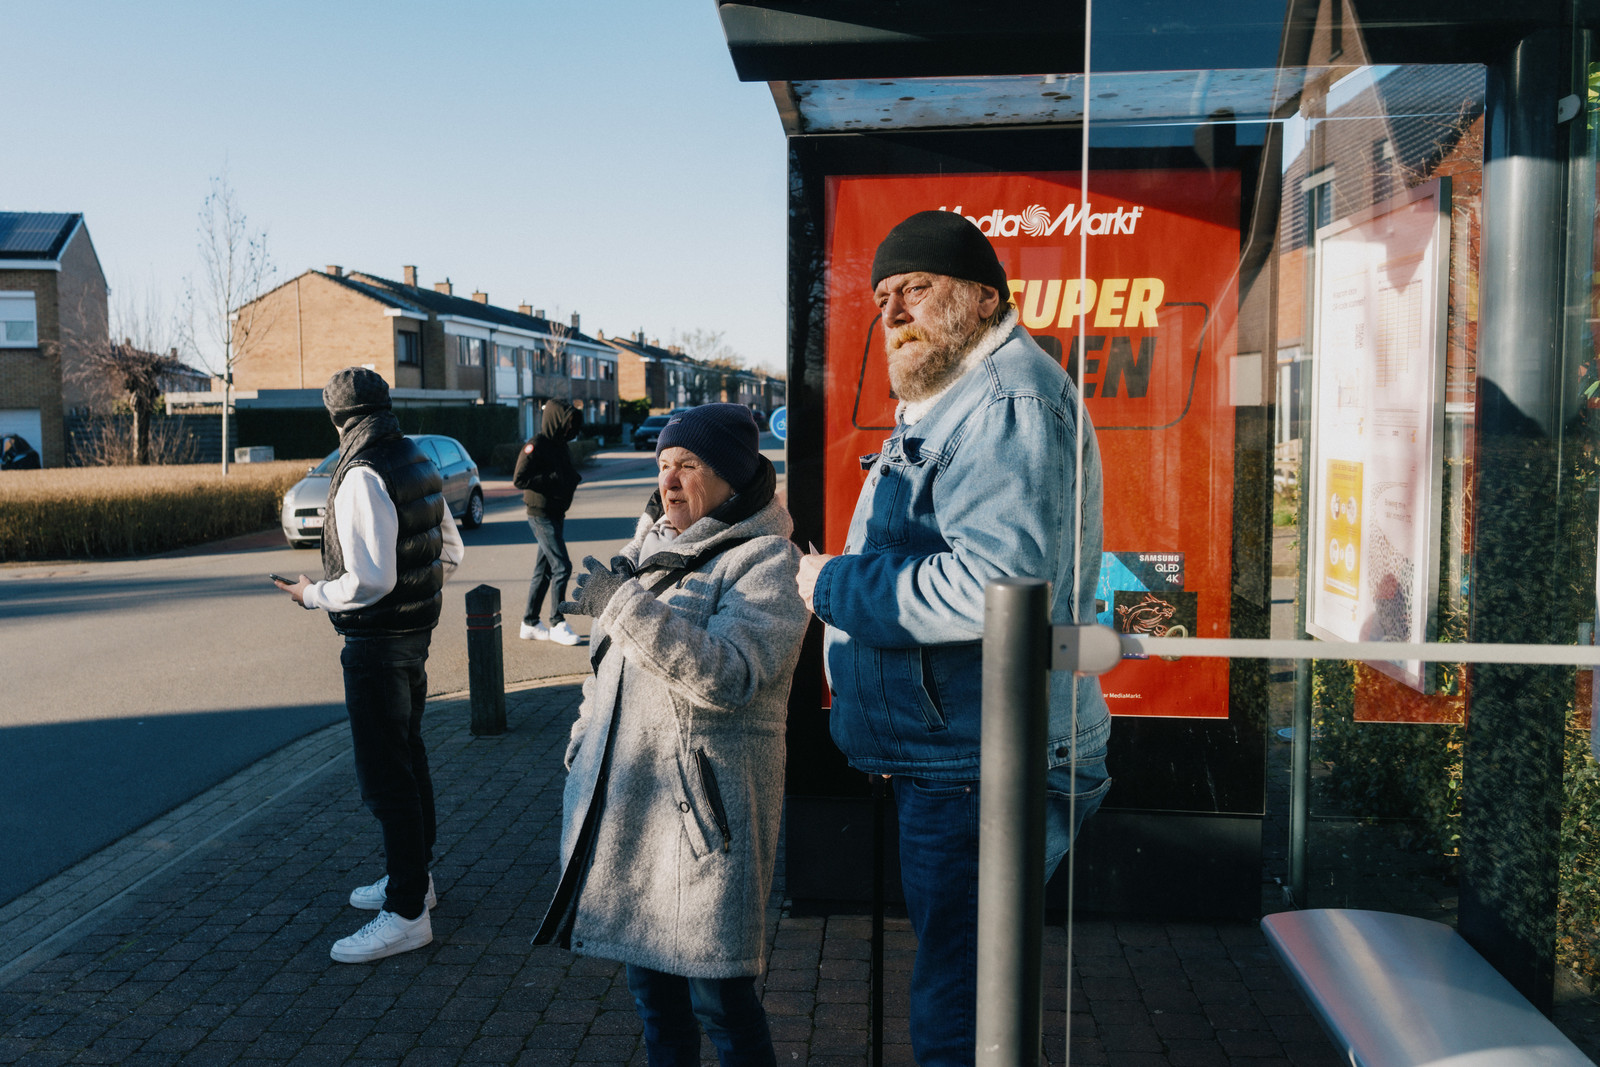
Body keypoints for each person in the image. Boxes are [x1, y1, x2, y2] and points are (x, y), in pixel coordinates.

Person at [795, 210, 1113, 1066]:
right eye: (884, 296)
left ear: (980, 300)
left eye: (917, 289)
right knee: (963, 980)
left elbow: (991, 590)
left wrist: (828, 583)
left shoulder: (1007, 401)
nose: (892, 311)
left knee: (961, 1003)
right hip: (960, 753)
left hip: (982, 763)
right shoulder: (964, 394)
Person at [535, 403, 808, 1067]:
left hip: (702, 827)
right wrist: (581, 747)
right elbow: (604, 667)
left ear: (734, 477)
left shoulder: (769, 560)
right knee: (655, 1003)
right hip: (634, 811)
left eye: (689, 465)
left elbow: (730, 675)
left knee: (724, 1006)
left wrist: (625, 604)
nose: (670, 480)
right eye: (663, 465)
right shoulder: (646, 548)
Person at [275, 367, 464, 964]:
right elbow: (451, 552)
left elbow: (370, 580)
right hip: (414, 636)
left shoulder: (358, 473)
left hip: (377, 645)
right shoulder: (416, 459)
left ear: (337, 420)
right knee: (409, 759)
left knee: (387, 778)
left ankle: (407, 912)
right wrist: (417, 594)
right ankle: (416, 881)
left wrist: (312, 595)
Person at [513, 398, 584, 646]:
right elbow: (519, 479)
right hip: (540, 513)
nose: (569, 430)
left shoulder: (560, 445)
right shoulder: (536, 445)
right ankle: (557, 622)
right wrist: (554, 478)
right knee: (562, 566)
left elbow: (561, 474)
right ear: (556, 421)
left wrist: (569, 479)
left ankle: (530, 623)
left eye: (572, 426)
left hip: (556, 512)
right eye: (566, 425)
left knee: (543, 571)